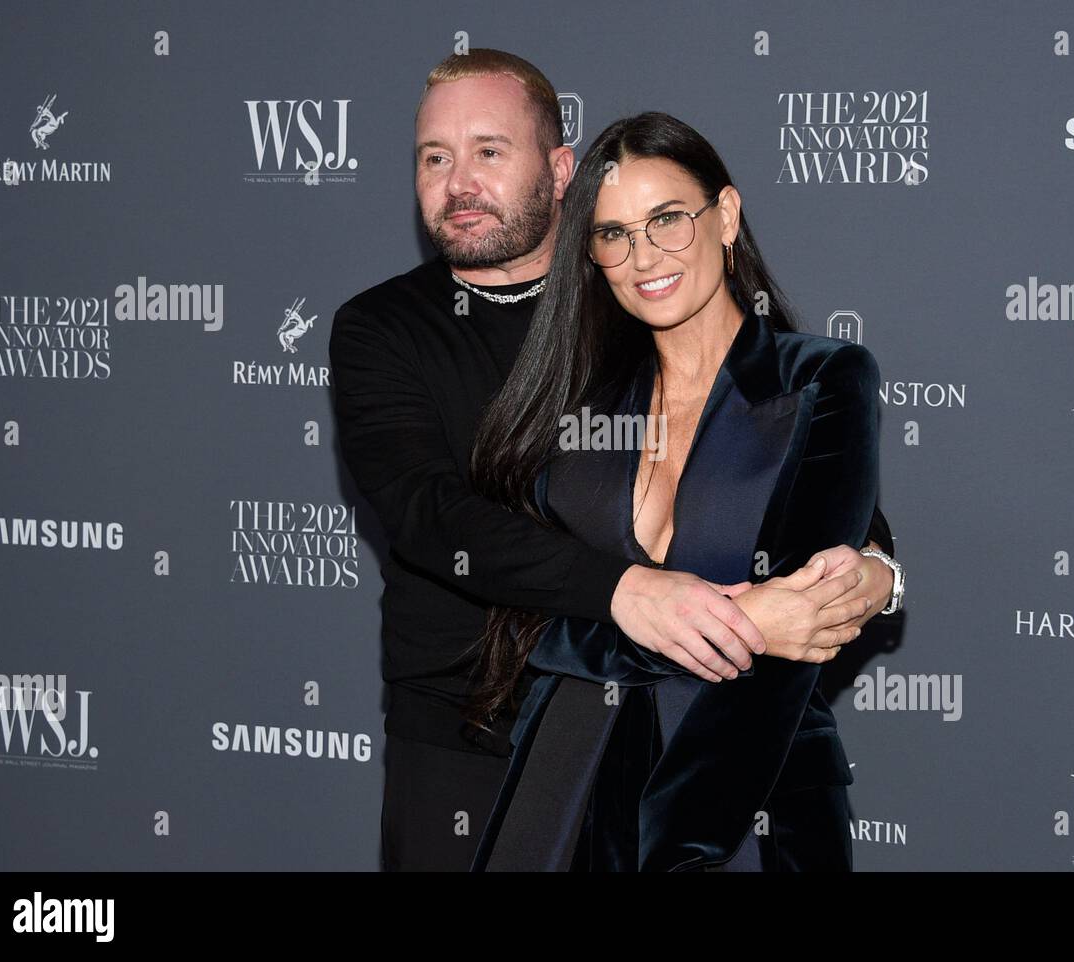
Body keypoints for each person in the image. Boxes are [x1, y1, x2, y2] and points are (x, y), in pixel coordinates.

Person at [328, 50, 904, 872]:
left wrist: (876, 564)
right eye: (435, 157)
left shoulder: (627, 327)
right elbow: (431, 514)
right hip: (469, 722)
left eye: (489, 150)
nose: (459, 181)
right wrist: (649, 597)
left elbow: (788, 478)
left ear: (561, 170)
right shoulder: (386, 330)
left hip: (678, 737)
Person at [469, 110, 893, 872]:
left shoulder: (819, 381)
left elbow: (794, 637)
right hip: (566, 779)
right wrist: (741, 618)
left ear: (725, 216)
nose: (643, 257)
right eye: (613, 234)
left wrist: (681, 847)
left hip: (747, 801)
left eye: (667, 220)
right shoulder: (580, 407)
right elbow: (526, 620)